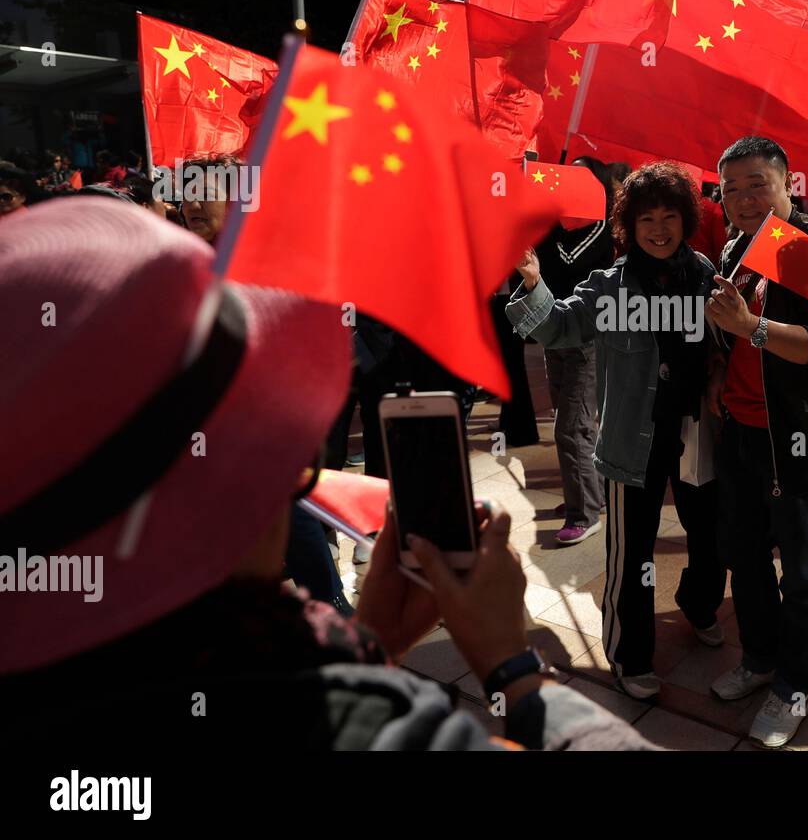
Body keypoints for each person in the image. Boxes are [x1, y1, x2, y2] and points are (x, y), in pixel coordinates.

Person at [0, 198, 655, 750]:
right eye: (268, 431)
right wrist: (512, 668)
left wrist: (374, 642)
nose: (297, 470)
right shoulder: (361, 728)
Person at [508, 162, 725, 700]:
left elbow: (725, 341)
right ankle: (630, 654)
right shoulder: (608, 284)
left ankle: (699, 605)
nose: (658, 228)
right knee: (632, 555)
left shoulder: (702, 273)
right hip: (633, 441)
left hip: (696, 433)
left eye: (669, 216)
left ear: (685, 219)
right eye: (646, 217)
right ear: (628, 224)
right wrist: (533, 284)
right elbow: (557, 327)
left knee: (709, 538)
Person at [704, 136, 808, 748]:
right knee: (744, 557)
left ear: (786, 184)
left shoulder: (803, 247)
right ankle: (761, 658)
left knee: (802, 574)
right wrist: (723, 365)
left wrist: (751, 329)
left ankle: (794, 687)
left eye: (757, 185)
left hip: (798, 438)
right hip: (742, 434)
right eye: (731, 190)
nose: (744, 200)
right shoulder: (736, 248)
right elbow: (729, 333)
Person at [526, 155, 616, 544]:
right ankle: (589, 494)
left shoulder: (600, 225)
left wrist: (541, 231)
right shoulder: (555, 226)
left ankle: (584, 513)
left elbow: (566, 263)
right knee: (574, 418)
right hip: (555, 333)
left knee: (571, 426)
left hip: (585, 337)